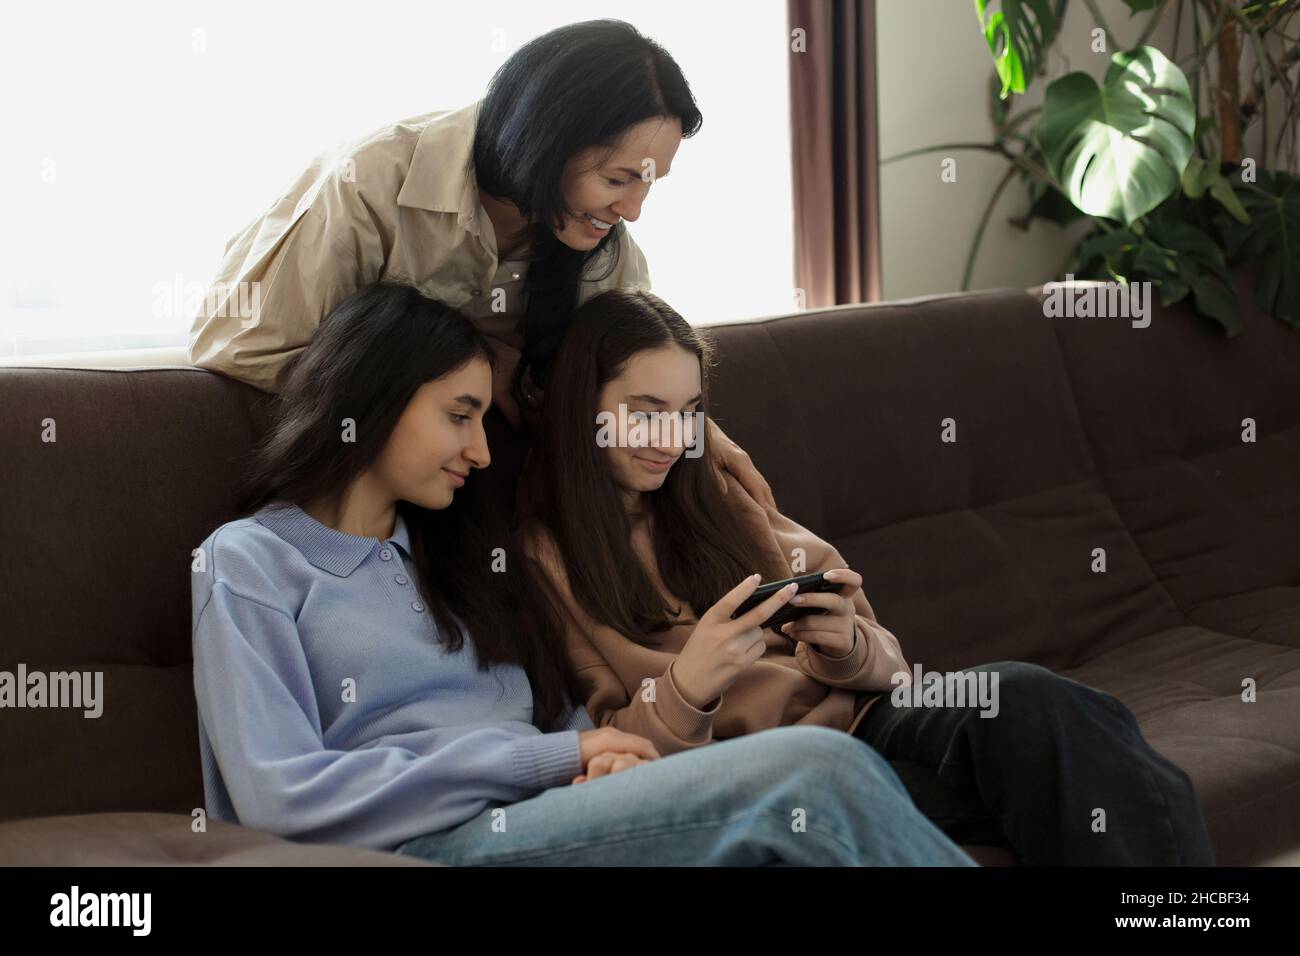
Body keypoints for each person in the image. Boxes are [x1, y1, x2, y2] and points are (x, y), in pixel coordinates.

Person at [190, 279, 979, 866]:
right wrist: (560, 757)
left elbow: (549, 713)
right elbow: (279, 797)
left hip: (561, 805)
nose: (481, 448)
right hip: (427, 846)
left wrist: (592, 753)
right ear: (372, 401)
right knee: (811, 775)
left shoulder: (456, 551)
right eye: (458, 415)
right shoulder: (250, 563)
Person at [514, 288, 1219, 866]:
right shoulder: (541, 560)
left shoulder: (717, 495)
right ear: (583, 405)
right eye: (647, 412)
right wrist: (688, 685)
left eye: (691, 413)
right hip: (773, 771)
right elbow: (604, 749)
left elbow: (887, 659)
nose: (674, 440)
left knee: (1039, 703)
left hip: (872, 721)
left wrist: (846, 643)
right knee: (1099, 779)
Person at [187, 18, 775, 512]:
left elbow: (637, 363)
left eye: (649, 185)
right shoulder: (372, 184)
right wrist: (443, 383)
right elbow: (238, 343)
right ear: (546, 141)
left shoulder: (602, 243)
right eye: (617, 180)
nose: (633, 211)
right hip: (367, 486)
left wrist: (697, 433)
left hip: (510, 497)